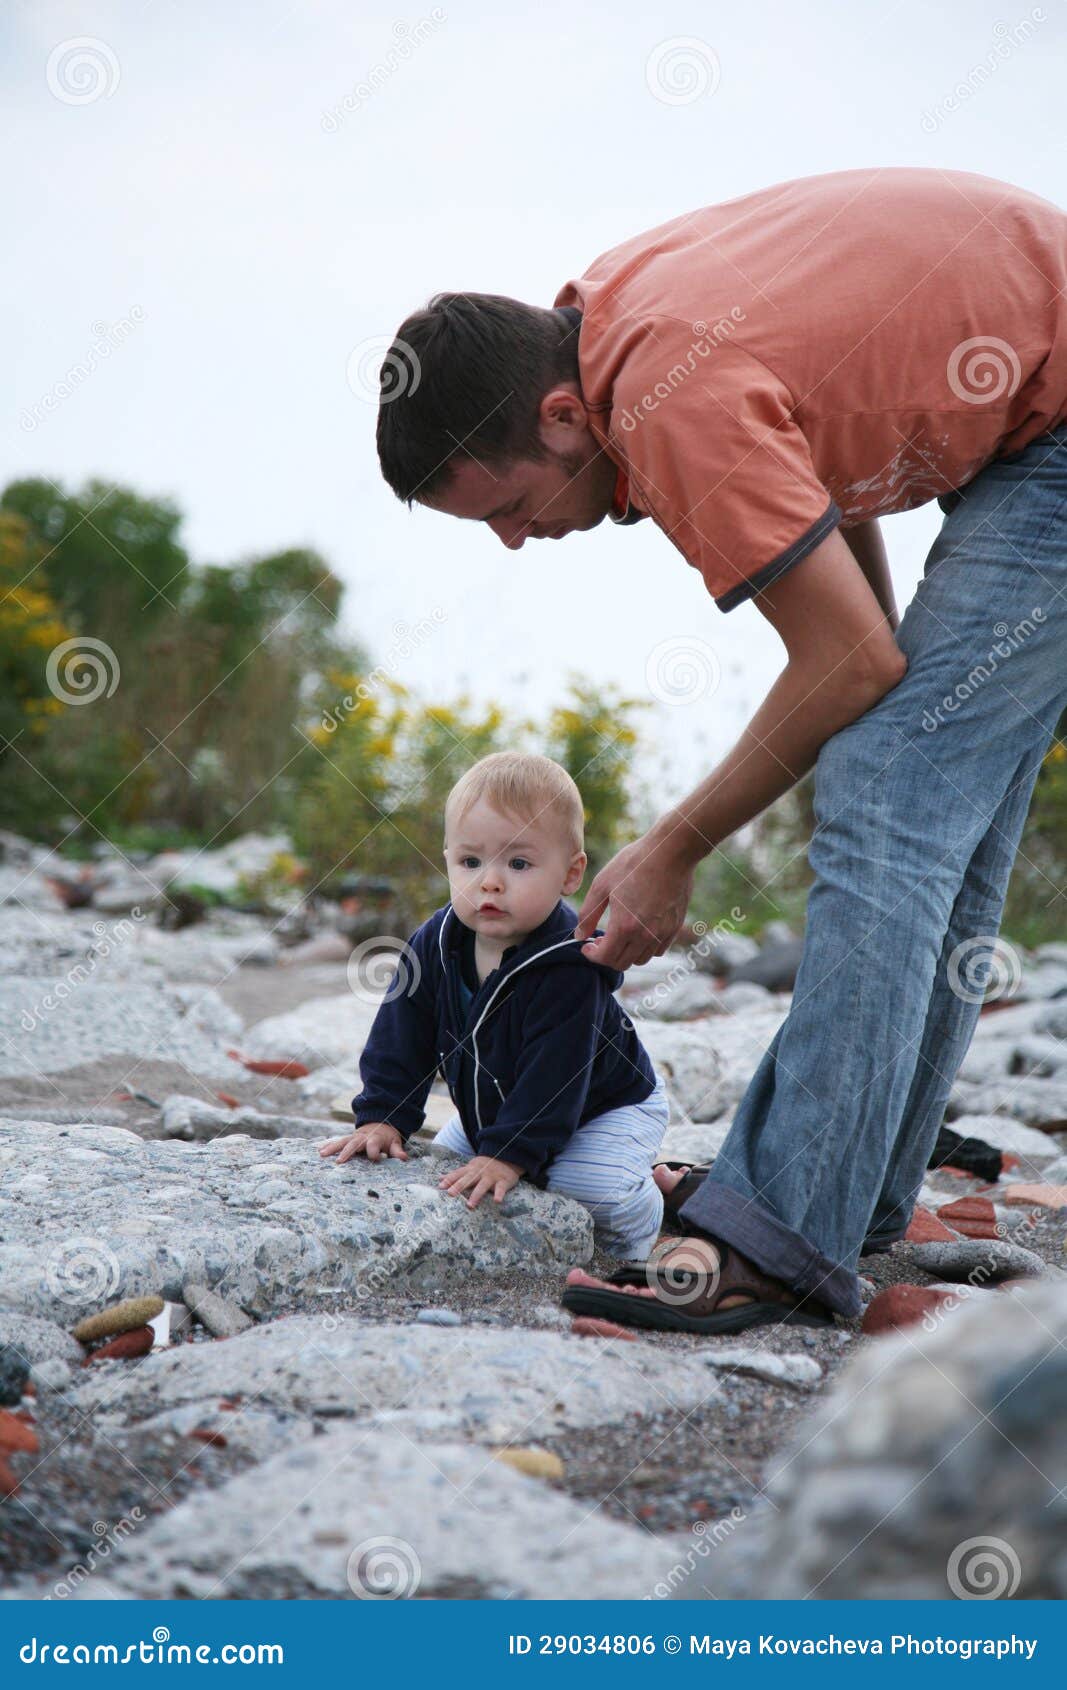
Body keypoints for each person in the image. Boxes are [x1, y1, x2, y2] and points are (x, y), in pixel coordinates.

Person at [375, 166, 1067, 1333]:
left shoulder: (659, 397)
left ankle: (784, 1237)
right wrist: (864, 685)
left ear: (557, 419)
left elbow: (851, 662)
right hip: (1030, 404)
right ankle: (847, 1200)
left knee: (891, 785)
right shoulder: (600, 330)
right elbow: (856, 604)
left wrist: (670, 846)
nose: (510, 542)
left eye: (504, 506)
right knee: (922, 797)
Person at [319, 751, 672, 1260]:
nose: (490, 881)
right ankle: (525, 1150)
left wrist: (509, 1153)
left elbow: (558, 1073)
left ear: (570, 874)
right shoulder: (436, 942)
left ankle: (651, 1211)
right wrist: (385, 1115)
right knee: (447, 1173)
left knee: (586, 1190)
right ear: (447, 860)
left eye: (519, 863)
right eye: (470, 861)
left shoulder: (568, 966)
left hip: (607, 1106)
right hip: (498, 1107)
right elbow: (402, 1033)